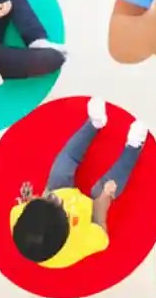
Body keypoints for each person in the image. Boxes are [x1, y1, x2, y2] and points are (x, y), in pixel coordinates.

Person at [10, 96, 148, 268]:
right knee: (108, 186)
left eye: (46, 198)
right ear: (66, 225)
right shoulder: (82, 241)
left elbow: (38, 209)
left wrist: (29, 199)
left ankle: (95, 123)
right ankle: (134, 147)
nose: (53, 197)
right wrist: (106, 195)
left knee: (63, 163)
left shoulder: (19, 218)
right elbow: (100, 222)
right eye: (55, 202)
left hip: (62, 199)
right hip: (88, 211)